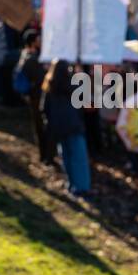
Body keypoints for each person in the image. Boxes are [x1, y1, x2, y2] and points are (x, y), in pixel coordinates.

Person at [41, 60, 91, 196]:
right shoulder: (73, 85)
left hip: (58, 127)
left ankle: (71, 184)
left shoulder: (49, 87)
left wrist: (50, 122)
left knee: (66, 156)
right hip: (74, 126)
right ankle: (81, 187)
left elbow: (44, 108)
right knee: (78, 158)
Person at [15, 30, 53, 164]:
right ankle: (47, 155)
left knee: (39, 126)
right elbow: (40, 79)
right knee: (43, 126)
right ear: (33, 42)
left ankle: (45, 154)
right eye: (38, 39)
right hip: (37, 97)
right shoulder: (32, 59)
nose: (41, 41)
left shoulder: (24, 56)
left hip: (33, 96)